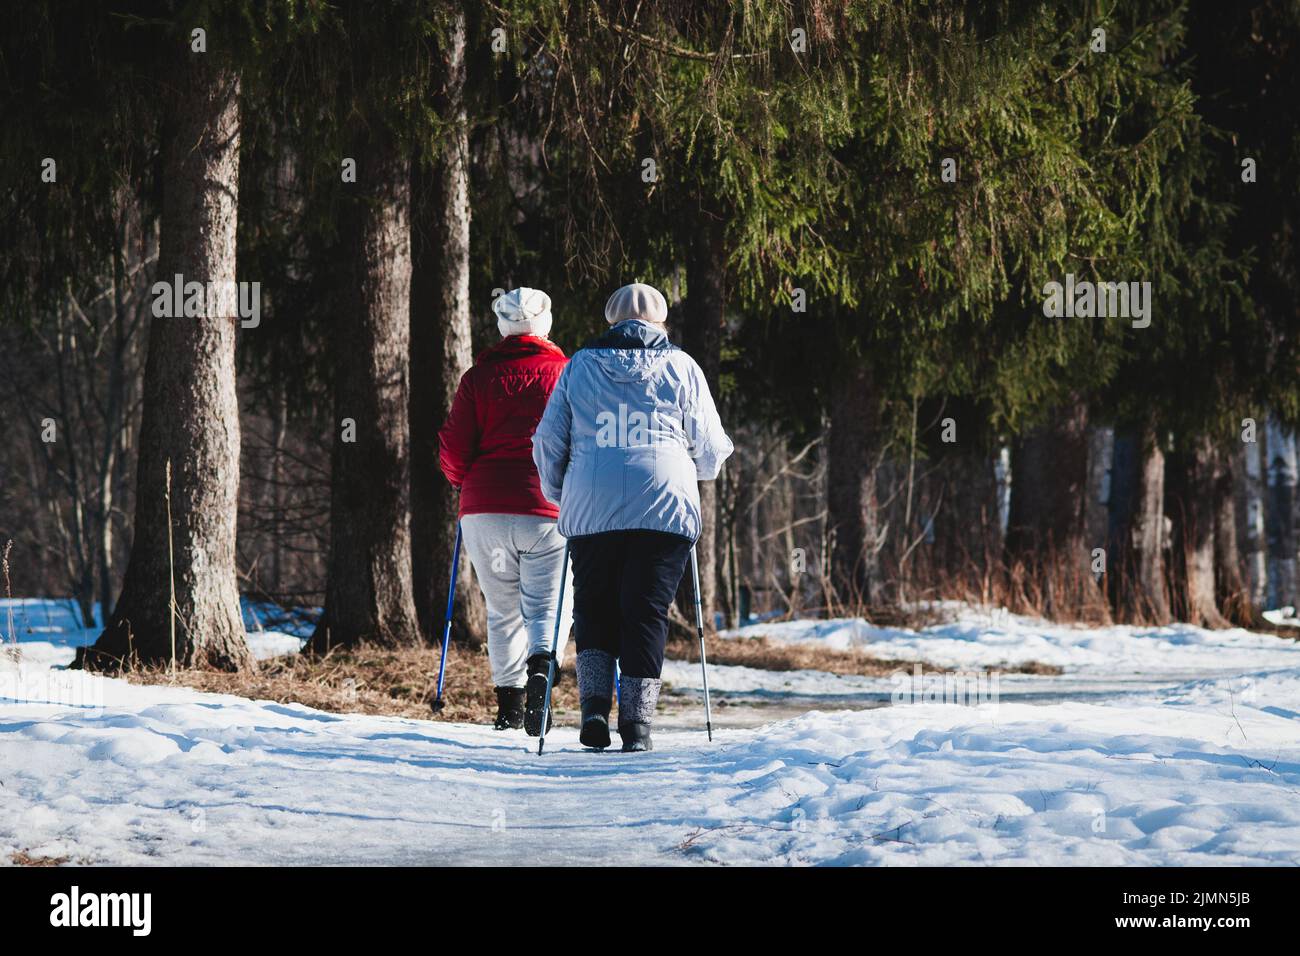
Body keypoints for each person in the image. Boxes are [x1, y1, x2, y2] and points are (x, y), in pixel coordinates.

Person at [532, 282, 733, 752]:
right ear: (660, 321)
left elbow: (547, 443)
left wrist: (561, 491)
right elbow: (710, 447)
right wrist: (694, 471)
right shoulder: (682, 367)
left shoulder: (578, 366)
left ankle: (595, 710)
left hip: (592, 506)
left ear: (612, 319)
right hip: (663, 507)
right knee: (646, 612)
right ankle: (638, 726)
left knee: (594, 606)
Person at [438, 287, 573, 735]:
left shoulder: (479, 378)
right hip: (548, 507)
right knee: (548, 607)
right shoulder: (566, 374)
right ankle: (541, 670)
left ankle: (510, 707)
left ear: (503, 327)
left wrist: (465, 485)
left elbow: (454, 447)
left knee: (501, 609)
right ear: (546, 325)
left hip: (485, 509)